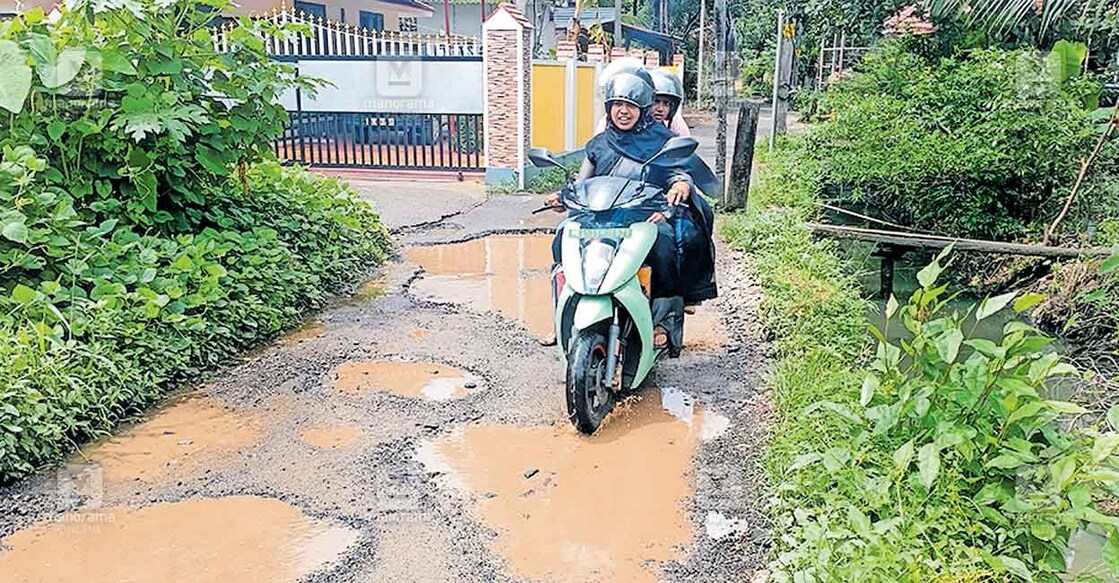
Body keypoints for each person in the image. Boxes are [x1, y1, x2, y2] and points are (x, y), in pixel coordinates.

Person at [547, 70, 691, 352]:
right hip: (599, 216)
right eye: (617, 105)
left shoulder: (662, 140)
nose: (623, 111)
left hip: (642, 217)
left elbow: (677, 171)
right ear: (609, 108)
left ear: (643, 109)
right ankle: (562, 315)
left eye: (631, 106)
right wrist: (563, 197)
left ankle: (663, 322)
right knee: (562, 236)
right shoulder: (599, 144)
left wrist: (680, 184)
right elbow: (581, 184)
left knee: (665, 241)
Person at [647, 69, 718, 309]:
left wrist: (682, 183)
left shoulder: (675, 126)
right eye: (655, 101)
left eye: (666, 104)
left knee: (695, 225)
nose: (660, 108)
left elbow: (683, 161)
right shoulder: (615, 123)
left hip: (666, 189)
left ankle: (690, 290)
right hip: (627, 192)